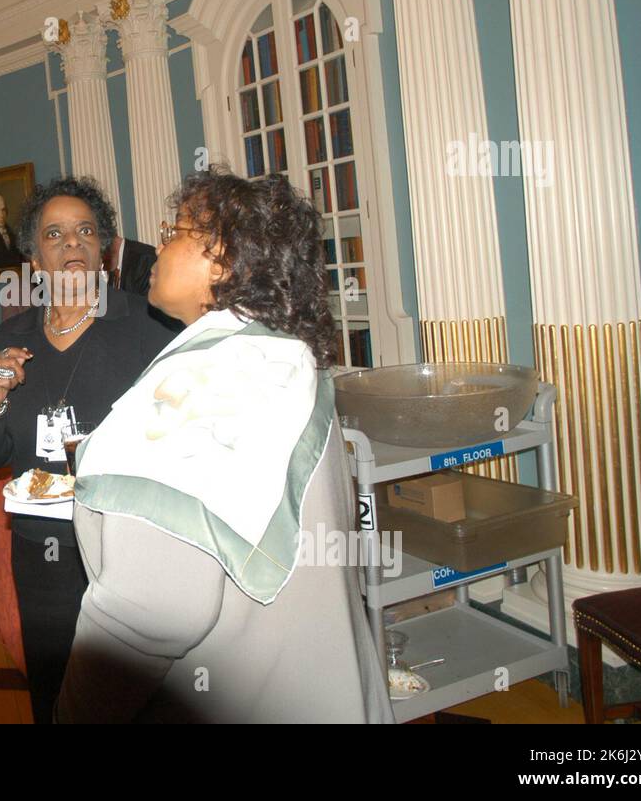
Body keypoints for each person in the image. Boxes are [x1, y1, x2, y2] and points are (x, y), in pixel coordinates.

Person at [56, 169, 394, 723]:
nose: (158, 246)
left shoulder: (211, 383)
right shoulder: (278, 358)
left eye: (176, 231)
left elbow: (149, 610)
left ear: (225, 260)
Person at [0, 176, 174, 723]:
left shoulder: (148, 326)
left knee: (139, 696)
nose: (71, 244)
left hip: (128, 543)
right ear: (35, 260)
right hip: (43, 550)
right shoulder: (12, 338)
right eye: (54, 234)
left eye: (85, 231)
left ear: (104, 251)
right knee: (56, 692)